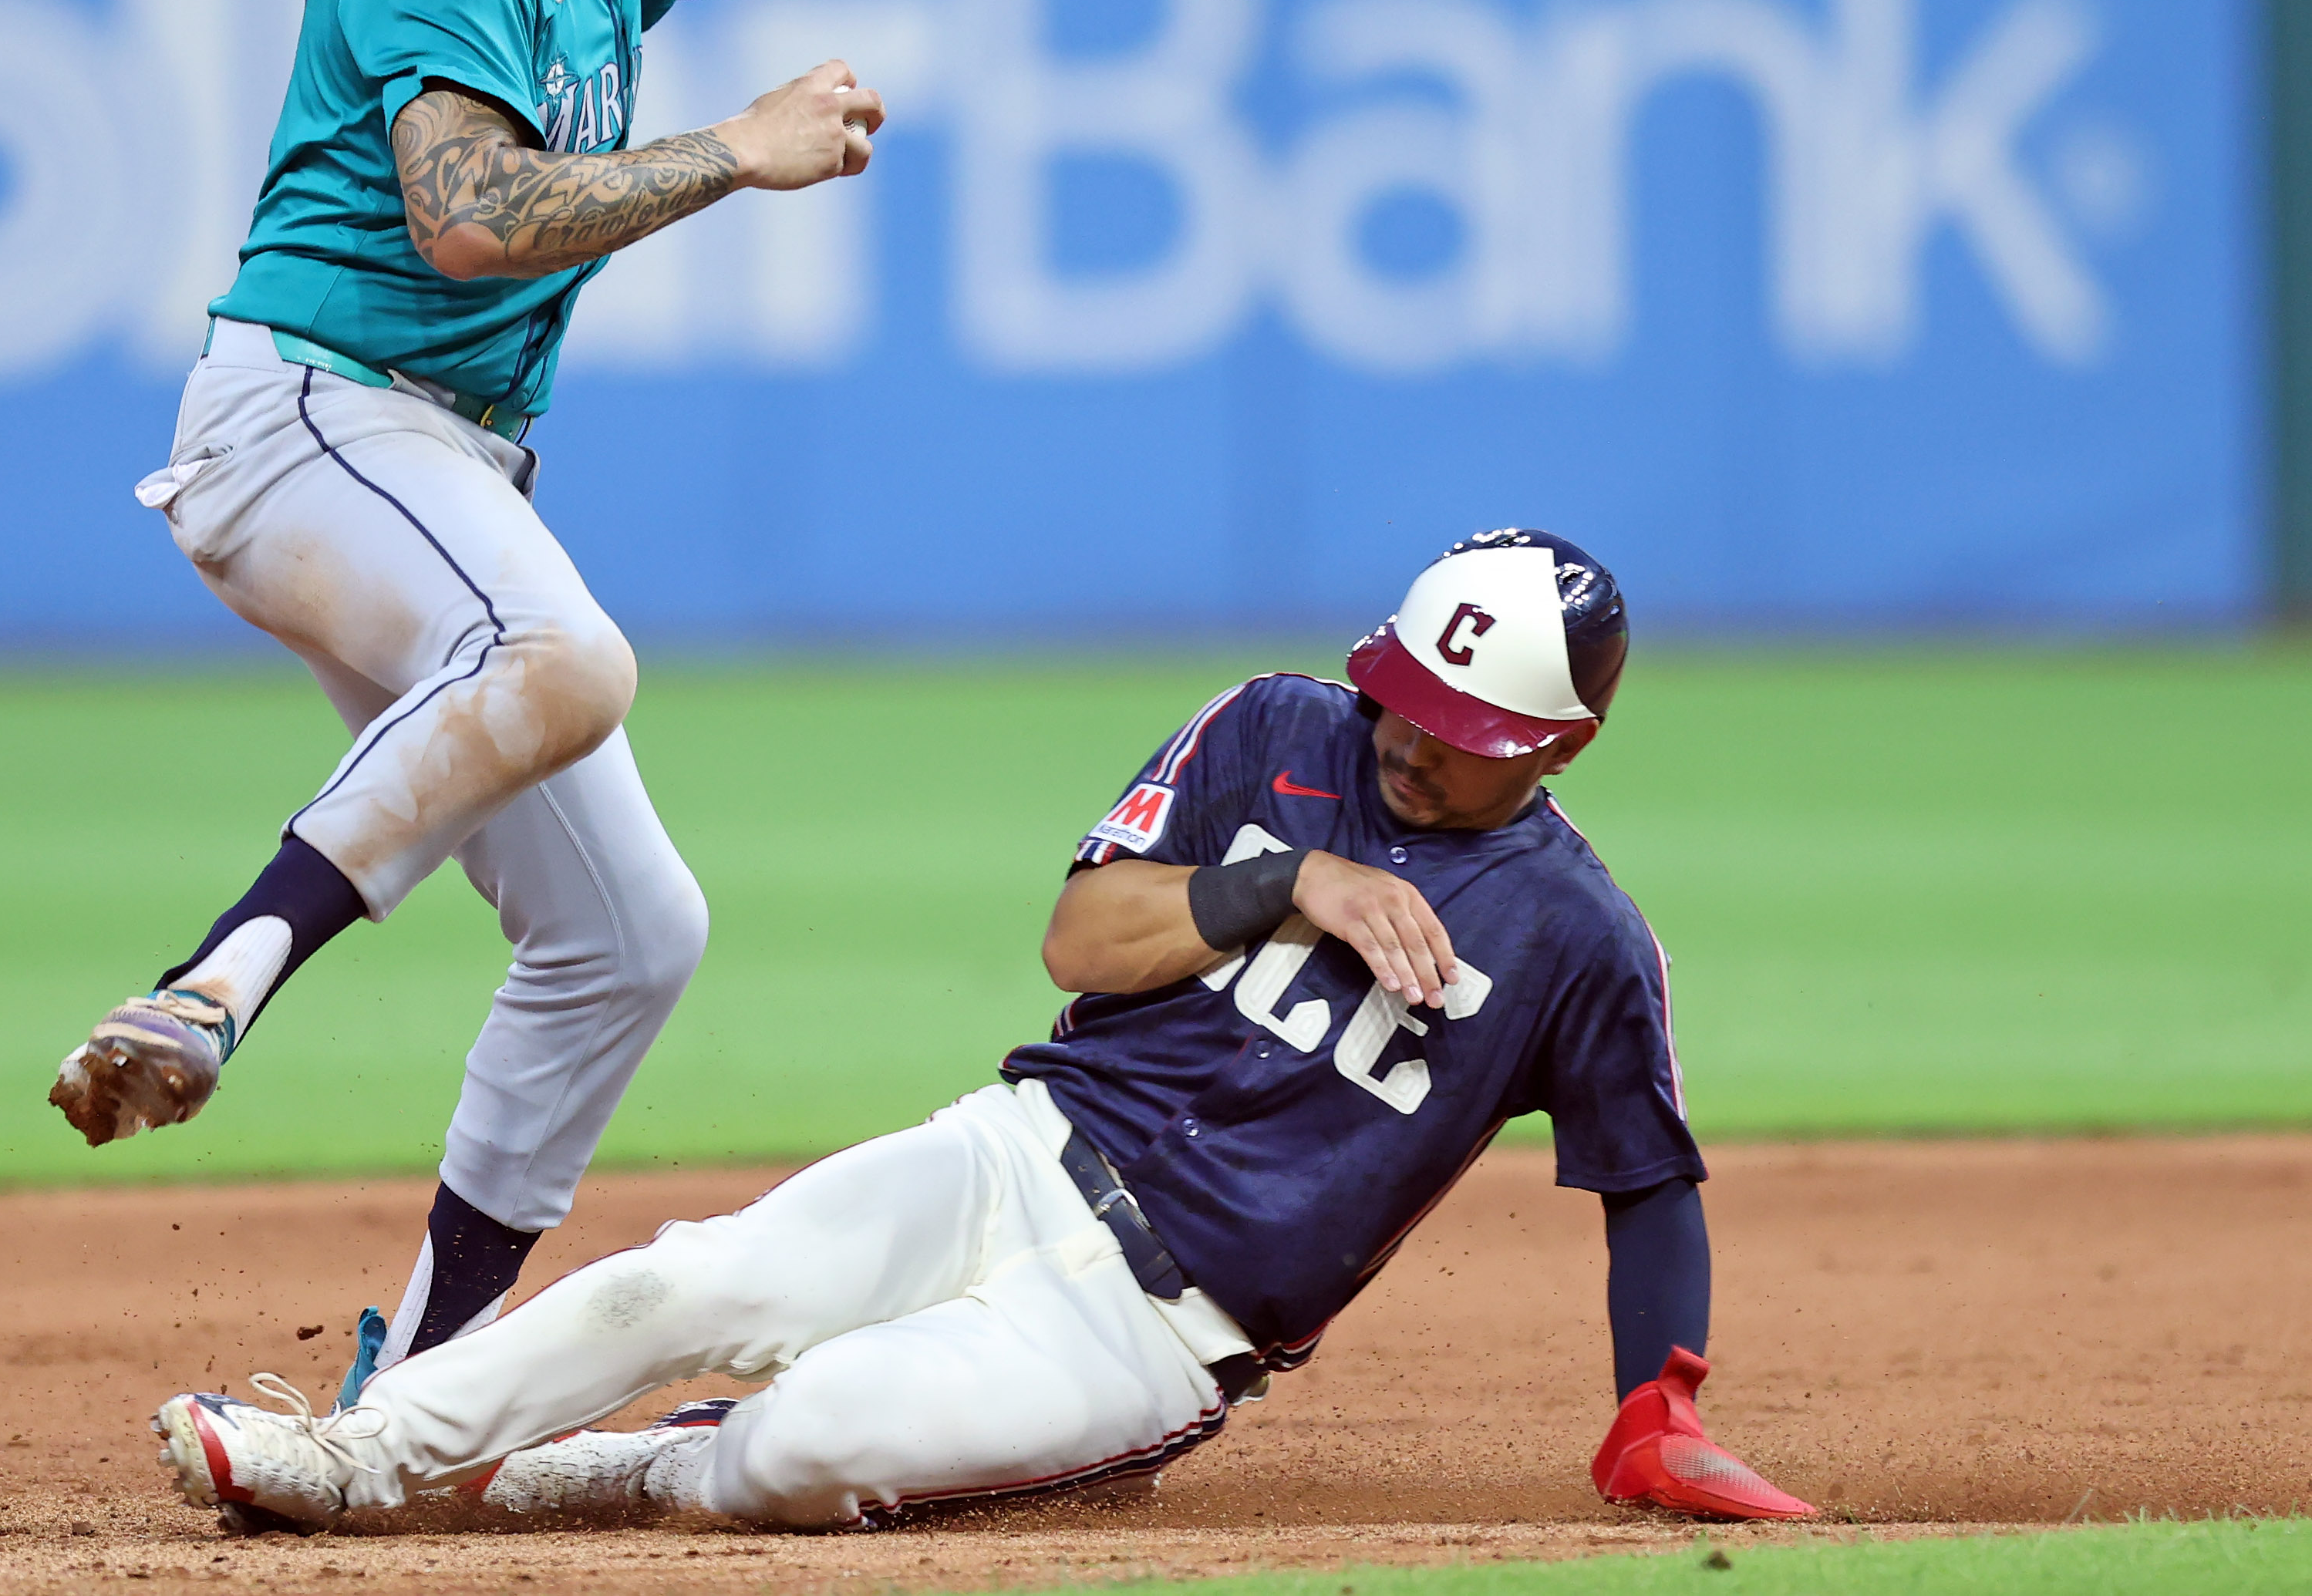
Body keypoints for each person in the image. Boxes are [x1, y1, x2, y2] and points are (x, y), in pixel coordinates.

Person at [49, 0, 1112, 1396]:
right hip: (308, 416)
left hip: (424, 454)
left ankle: (428, 1369)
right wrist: (736, 149)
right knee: (560, 659)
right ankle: (215, 983)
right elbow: (461, 219)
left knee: (630, 933)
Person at [145, 529, 1818, 1531]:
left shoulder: (1576, 937)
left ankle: (650, 1474)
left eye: (1462, 732)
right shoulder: (1276, 731)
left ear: (1558, 743)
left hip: (1161, 1330)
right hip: (1014, 1153)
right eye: (1402, 691)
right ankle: (354, 1455)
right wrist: (1282, 882)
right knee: (690, 1277)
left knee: (813, 1431)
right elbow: (1078, 936)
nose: (1410, 740)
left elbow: (1642, 1176)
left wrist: (1651, 1409)